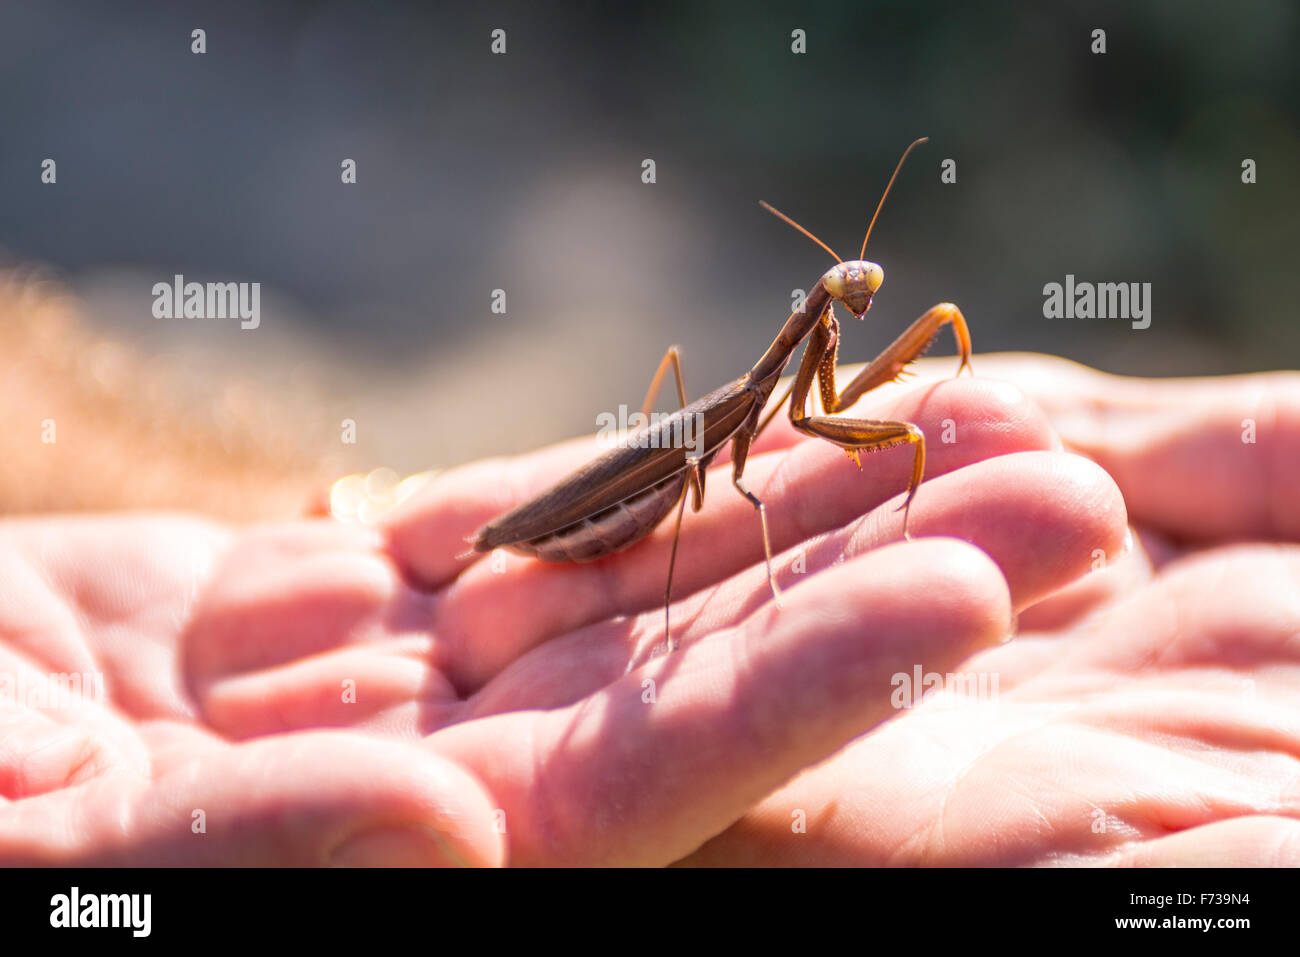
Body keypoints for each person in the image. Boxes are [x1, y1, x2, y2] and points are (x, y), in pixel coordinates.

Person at [1, 353, 1296, 866]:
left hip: (669, 471)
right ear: (825, 316)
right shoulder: (758, 408)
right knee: (680, 468)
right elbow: (736, 463)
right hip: (626, 492)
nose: (852, 311)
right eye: (842, 302)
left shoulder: (803, 380)